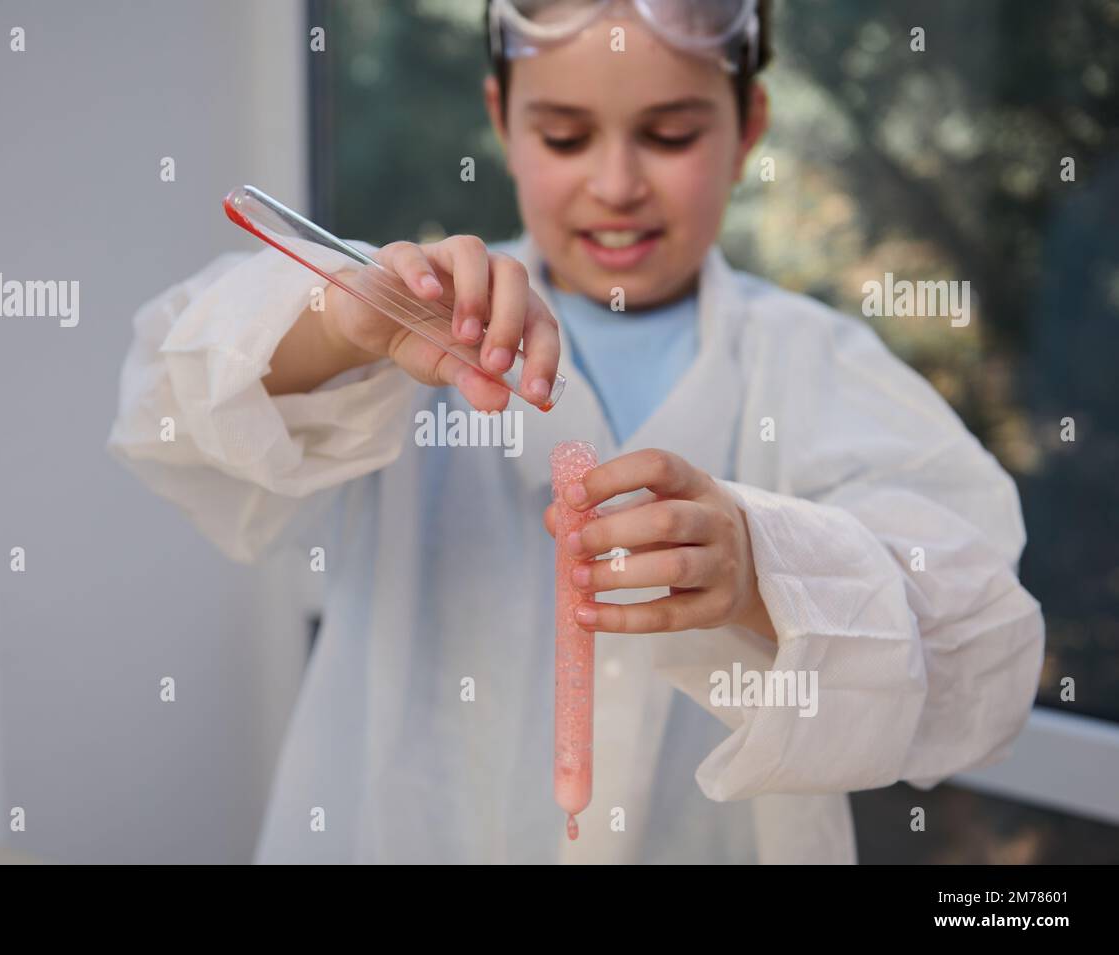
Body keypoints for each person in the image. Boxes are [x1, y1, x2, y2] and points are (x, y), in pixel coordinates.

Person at [106, 0, 1045, 863]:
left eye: (670, 133)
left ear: (748, 125)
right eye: (563, 135)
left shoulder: (819, 367)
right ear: (500, 120)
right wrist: (337, 327)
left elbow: (982, 659)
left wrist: (767, 569)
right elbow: (166, 404)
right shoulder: (415, 327)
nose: (616, 182)